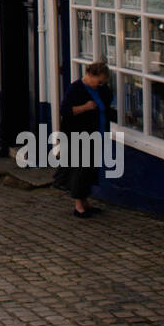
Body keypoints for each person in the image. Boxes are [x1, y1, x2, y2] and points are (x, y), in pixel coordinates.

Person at [58, 61, 115, 217]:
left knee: (90, 169)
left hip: (97, 132)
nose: (101, 84)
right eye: (99, 81)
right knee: (80, 169)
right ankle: (78, 206)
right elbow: (65, 110)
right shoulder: (76, 88)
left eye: (103, 82)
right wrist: (85, 107)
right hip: (78, 134)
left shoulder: (102, 89)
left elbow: (108, 101)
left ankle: (85, 201)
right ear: (90, 75)